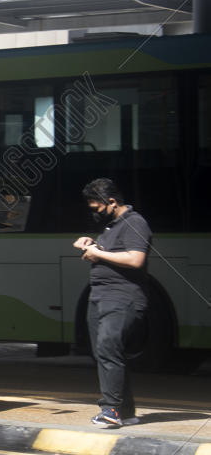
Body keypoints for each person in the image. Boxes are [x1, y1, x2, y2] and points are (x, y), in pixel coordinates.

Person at [72, 178, 152, 429]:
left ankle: (111, 411)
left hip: (122, 298)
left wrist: (97, 253)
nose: (95, 213)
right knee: (106, 353)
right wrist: (90, 245)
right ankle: (126, 411)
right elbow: (111, 255)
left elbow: (135, 259)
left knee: (108, 349)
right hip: (101, 298)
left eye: (97, 208)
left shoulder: (135, 222)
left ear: (112, 202)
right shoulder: (111, 227)